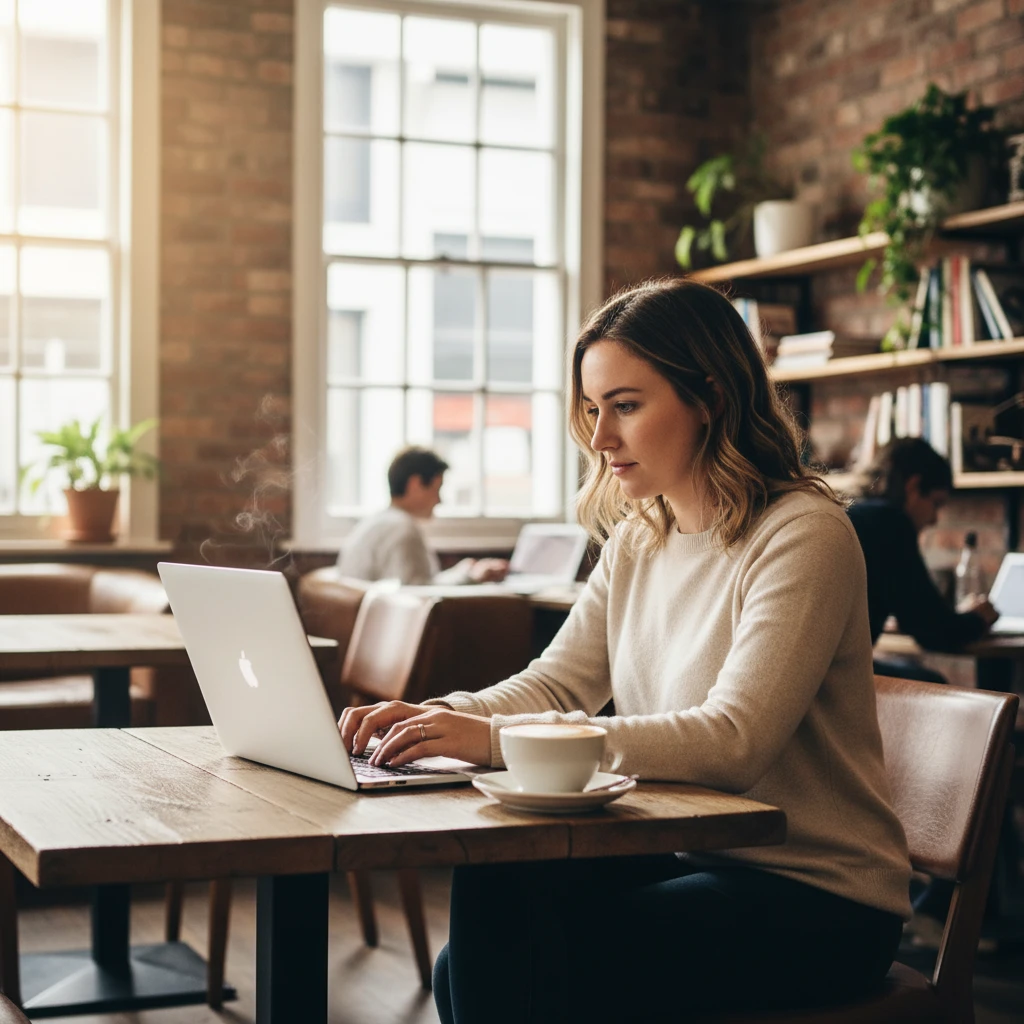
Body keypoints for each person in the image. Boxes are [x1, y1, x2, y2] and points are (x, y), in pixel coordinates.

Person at [339, 279, 912, 1022]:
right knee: (488, 913)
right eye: (592, 409)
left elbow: (733, 740)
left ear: (709, 397)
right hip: (690, 854)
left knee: (516, 970)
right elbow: (558, 681)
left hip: (818, 894)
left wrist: (492, 740)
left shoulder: (803, 534)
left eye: (626, 406)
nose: (600, 437)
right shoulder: (643, 535)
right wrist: (439, 716)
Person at [847, 437, 998, 680]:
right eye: (936, 504)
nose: (934, 519)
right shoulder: (888, 522)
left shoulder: (855, 511)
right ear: (913, 486)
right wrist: (979, 618)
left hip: (819, 672)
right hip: (835, 678)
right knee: (933, 683)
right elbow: (934, 631)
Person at [336, 446, 508, 585]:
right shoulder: (401, 529)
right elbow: (418, 594)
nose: (440, 500)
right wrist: (472, 577)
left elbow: (418, 582)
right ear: (416, 484)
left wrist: (462, 572)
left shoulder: (376, 523)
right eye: (437, 488)